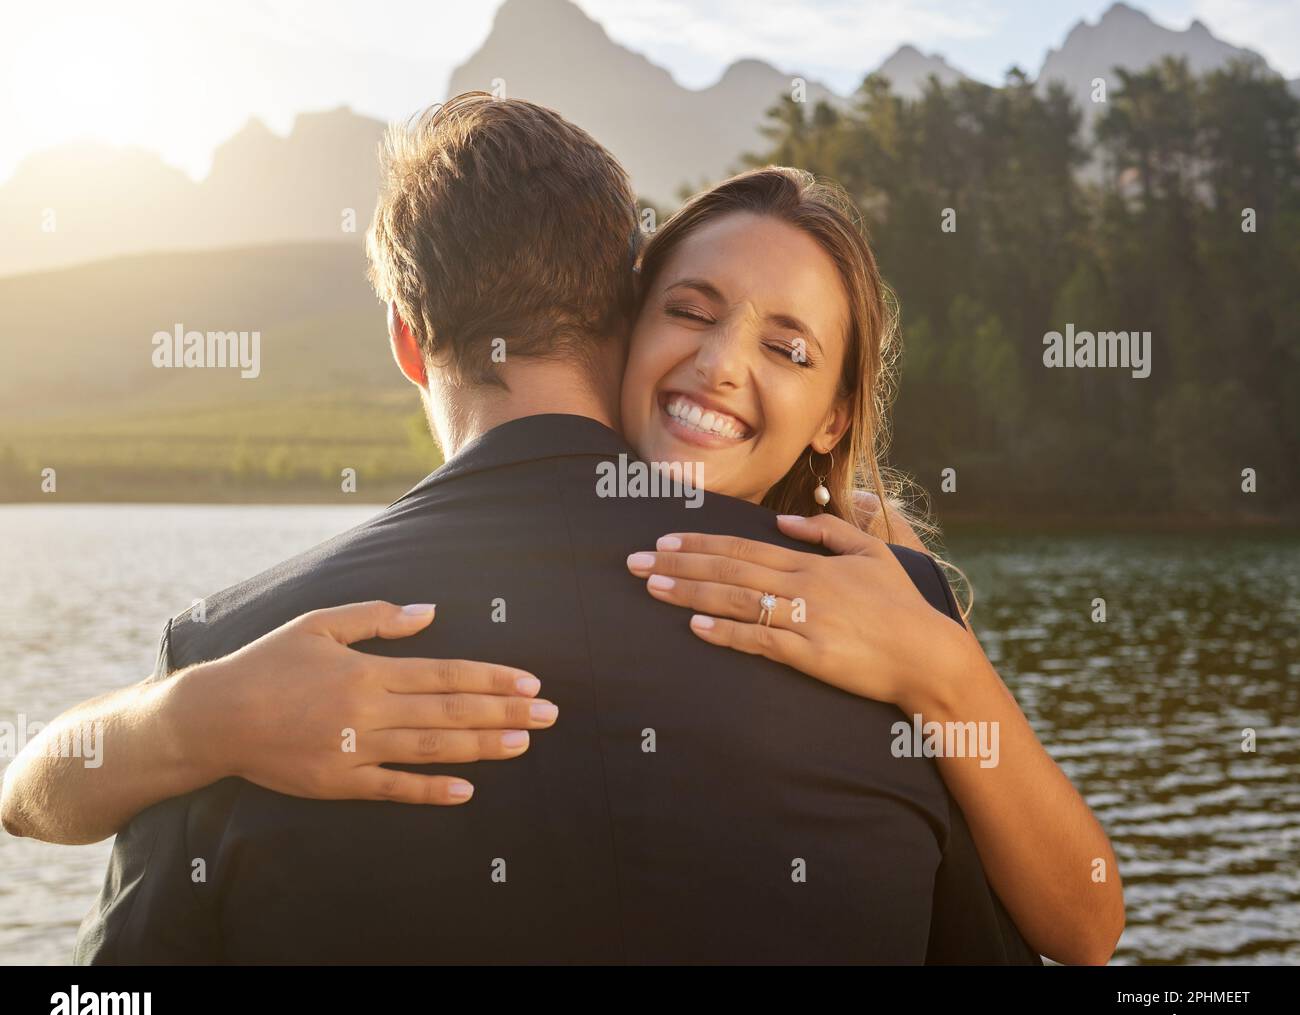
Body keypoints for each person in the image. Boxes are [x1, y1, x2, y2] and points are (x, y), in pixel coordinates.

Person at [4, 92, 1121, 964]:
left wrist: (185, 713)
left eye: (787, 347)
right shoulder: (887, 622)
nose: (722, 364)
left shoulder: (241, 660)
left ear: (406, 337)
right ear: (626, 306)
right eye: (695, 310)